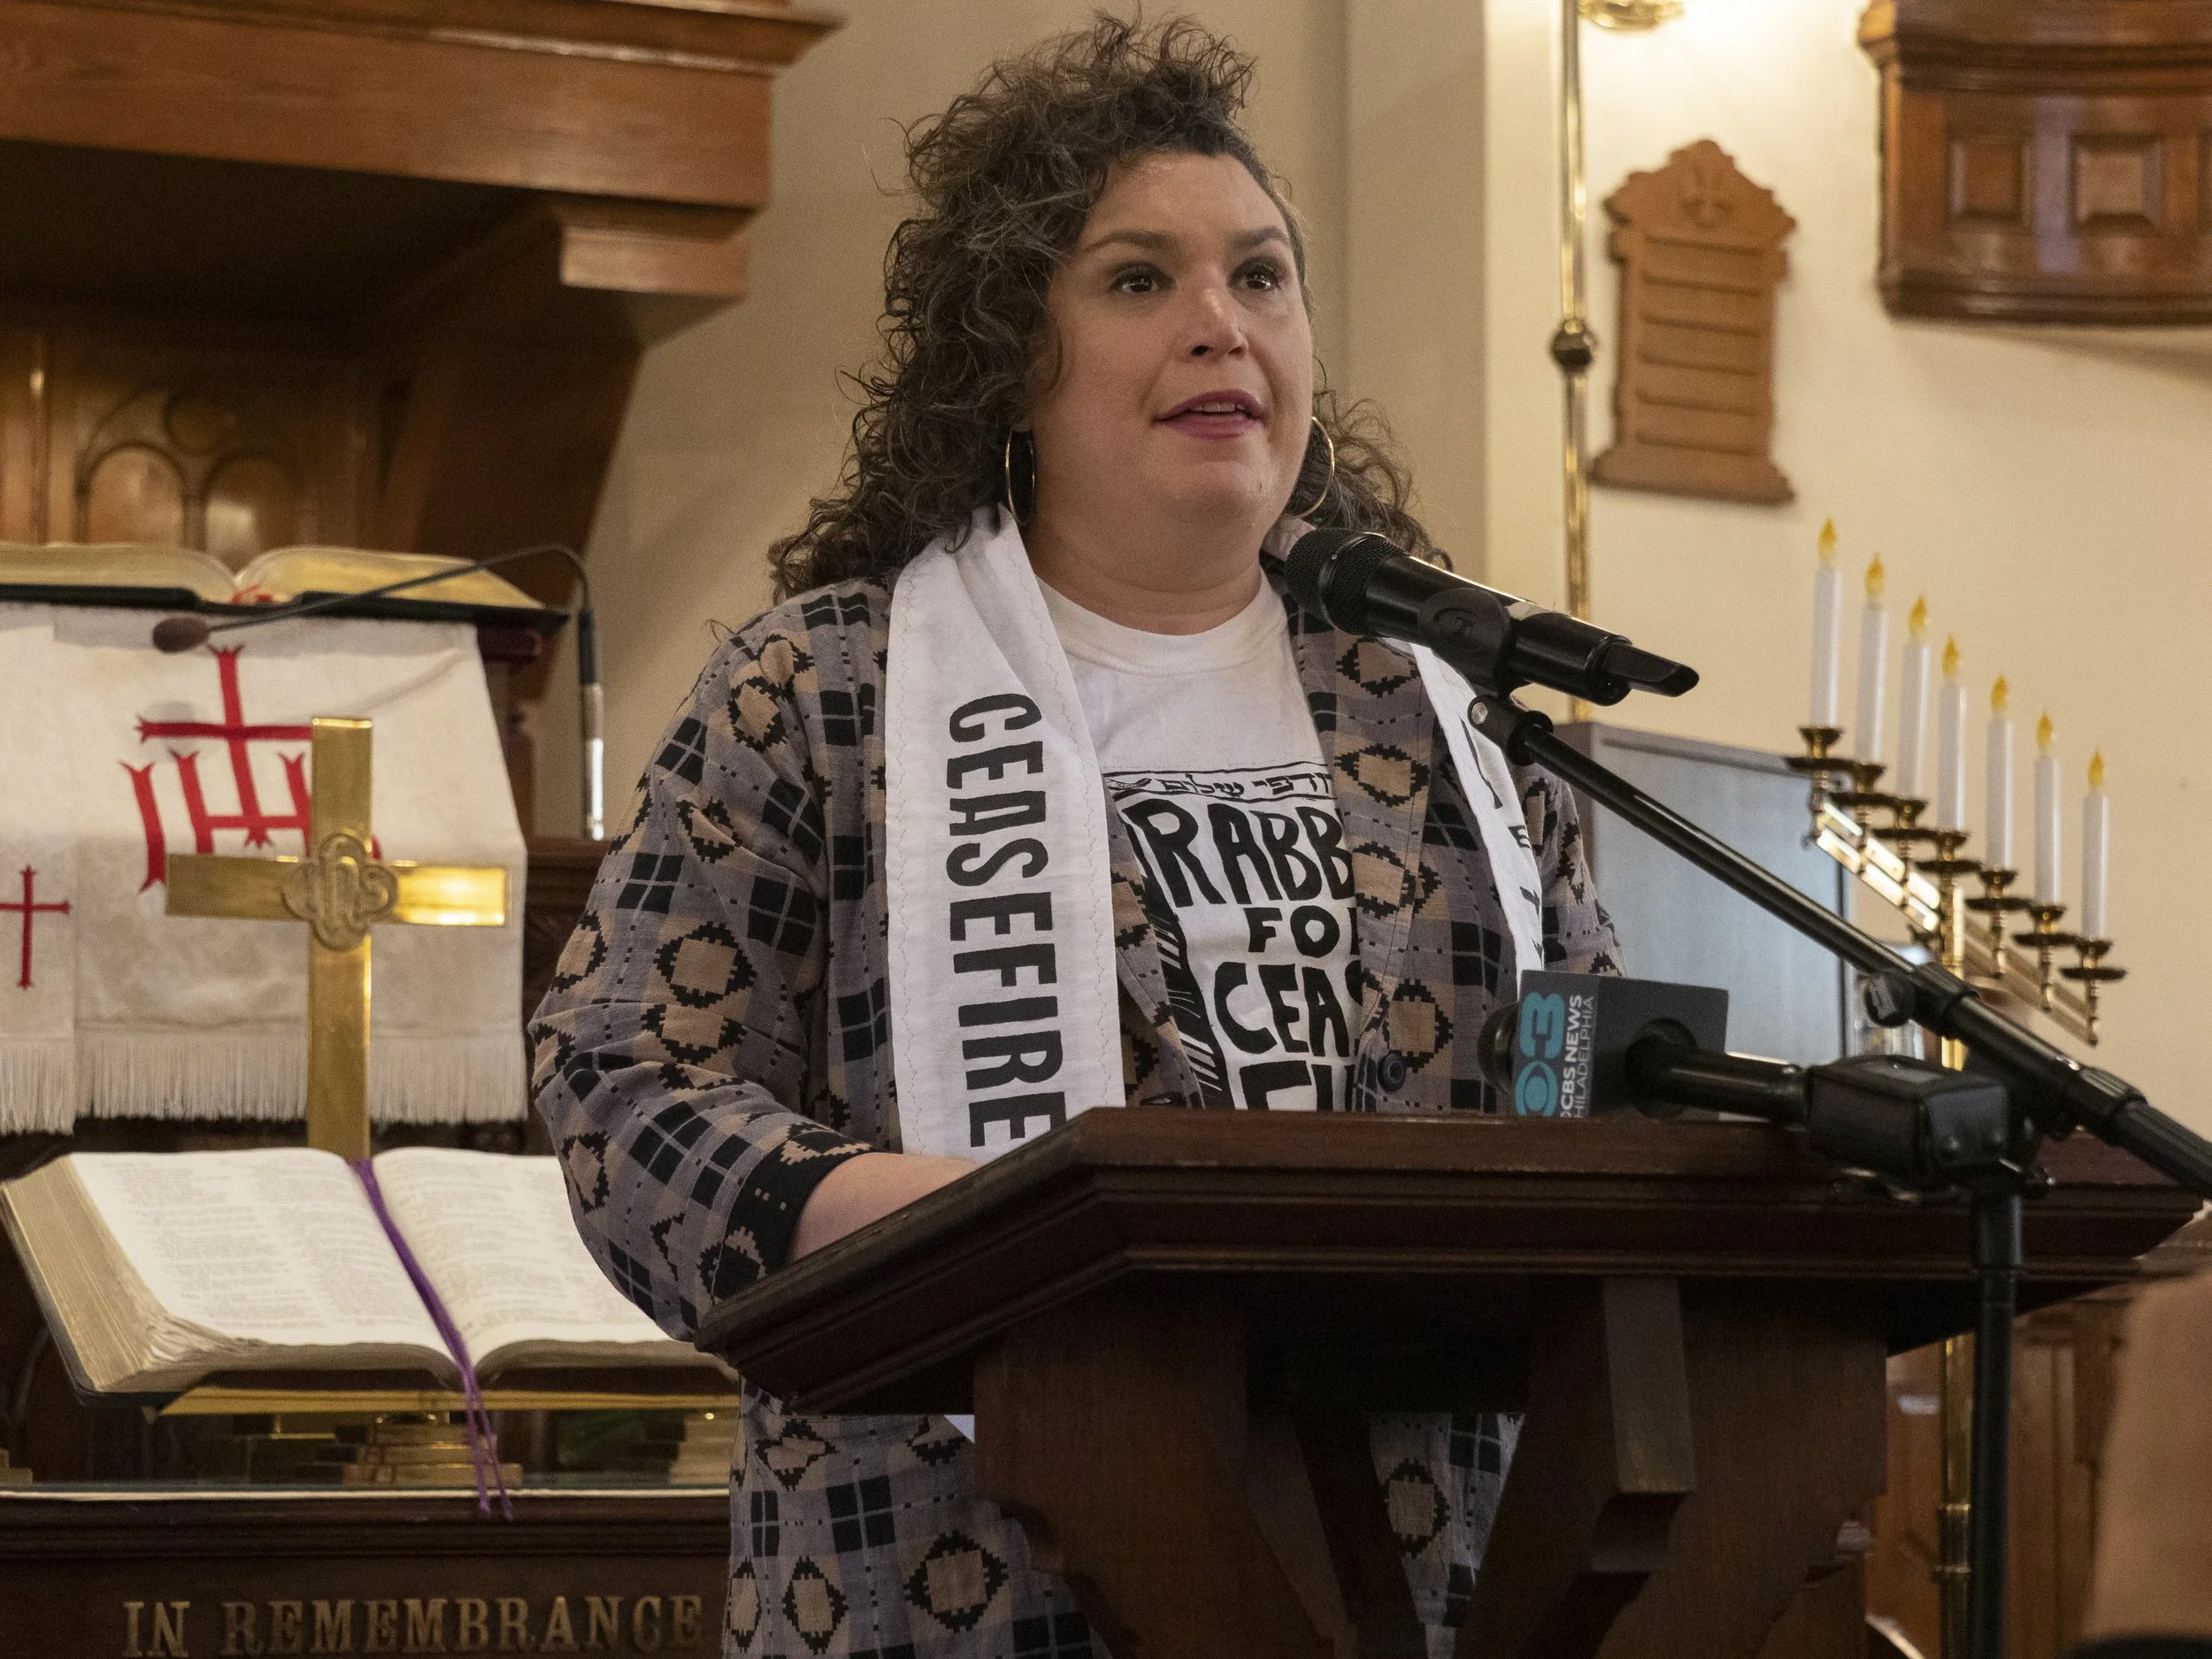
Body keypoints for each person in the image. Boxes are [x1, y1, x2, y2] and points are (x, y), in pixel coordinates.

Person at [529, 19, 1617, 1658]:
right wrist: (974, 1226)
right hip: (951, 1568)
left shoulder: (1455, 717)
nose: (1220, 322)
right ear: (1010, 360)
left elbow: (1582, 1090)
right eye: (1137, 279)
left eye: (1262, 276)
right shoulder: (828, 689)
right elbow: (621, 1085)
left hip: (1411, 1568)